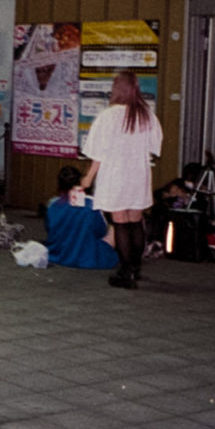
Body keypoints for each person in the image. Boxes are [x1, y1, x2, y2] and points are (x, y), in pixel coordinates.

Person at [81, 70, 163, 288]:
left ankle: (125, 272)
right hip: (138, 174)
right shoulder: (147, 115)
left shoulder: (108, 116)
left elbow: (98, 153)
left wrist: (88, 178)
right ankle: (135, 267)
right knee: (136, 220)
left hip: (115, 174)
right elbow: (155, 148)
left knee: (120, 222)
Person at [45, 166, 120, 270]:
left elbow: (49, 229)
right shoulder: (93, 203)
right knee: (115, 228)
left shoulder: (52, 204)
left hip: (59, 251)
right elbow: (100, 231)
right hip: (89, 254)